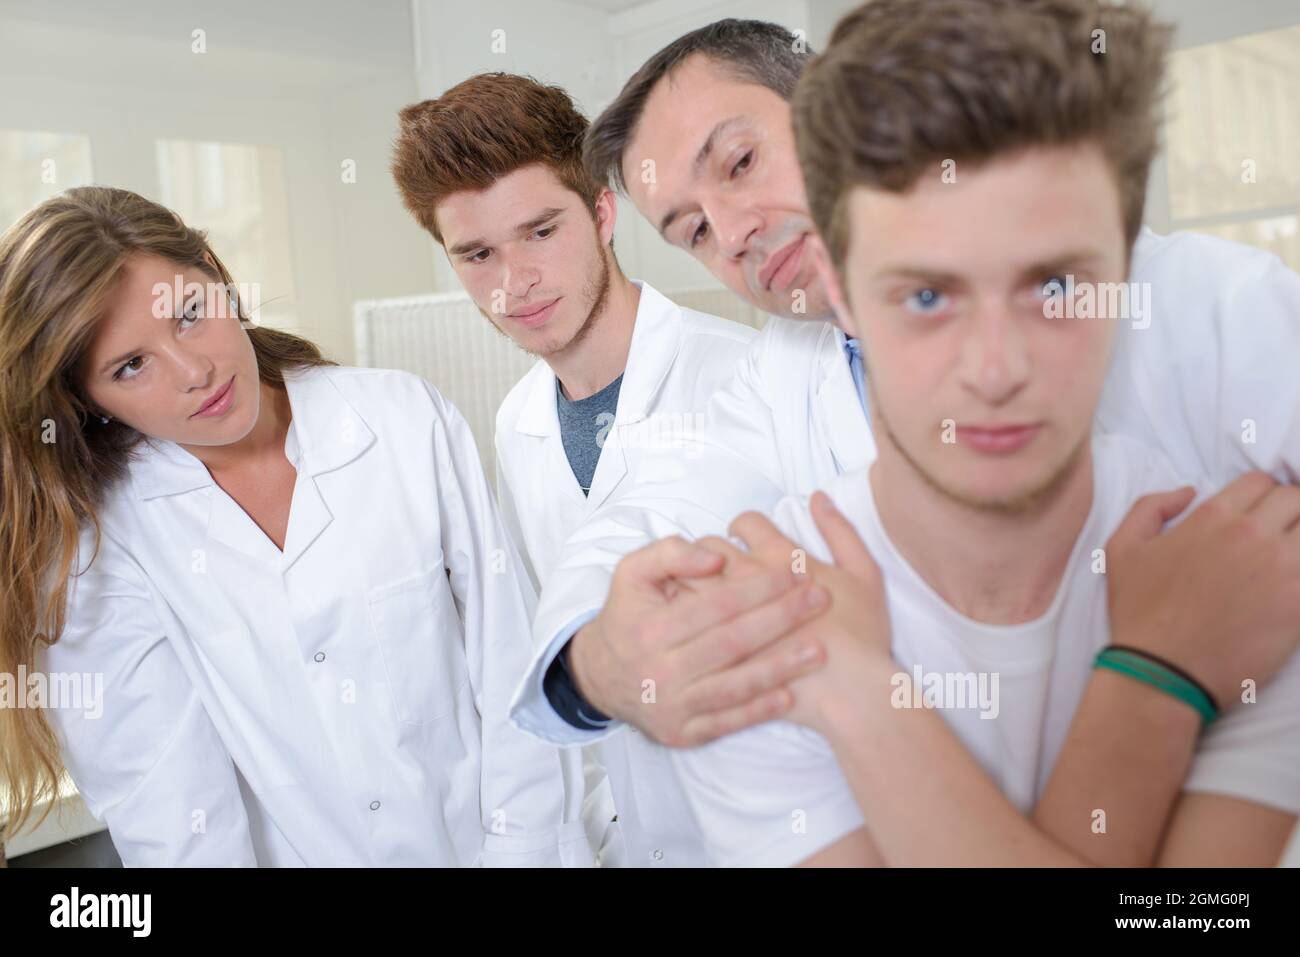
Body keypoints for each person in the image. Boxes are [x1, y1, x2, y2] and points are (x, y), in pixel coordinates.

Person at [507, 12, 1300, 790]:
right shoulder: (780, 376)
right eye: (694, 232)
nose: (734, 232)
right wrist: (600, 663)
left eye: (741, 163)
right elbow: (650, 514)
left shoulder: (1200, 300)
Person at [0, 186, 589, 866]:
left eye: (189, 314)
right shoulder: (100, 551)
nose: (195, 371)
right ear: (86, 400)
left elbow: (511, 663)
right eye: (131, 365)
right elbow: (177, 822)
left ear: (216, 276)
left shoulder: (398, 419)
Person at [390, 73, 780, 866]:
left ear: (603, 212)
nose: (514, 281)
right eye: (477, 254)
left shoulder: (747, 380)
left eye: (540, 231)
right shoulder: (517, 424)